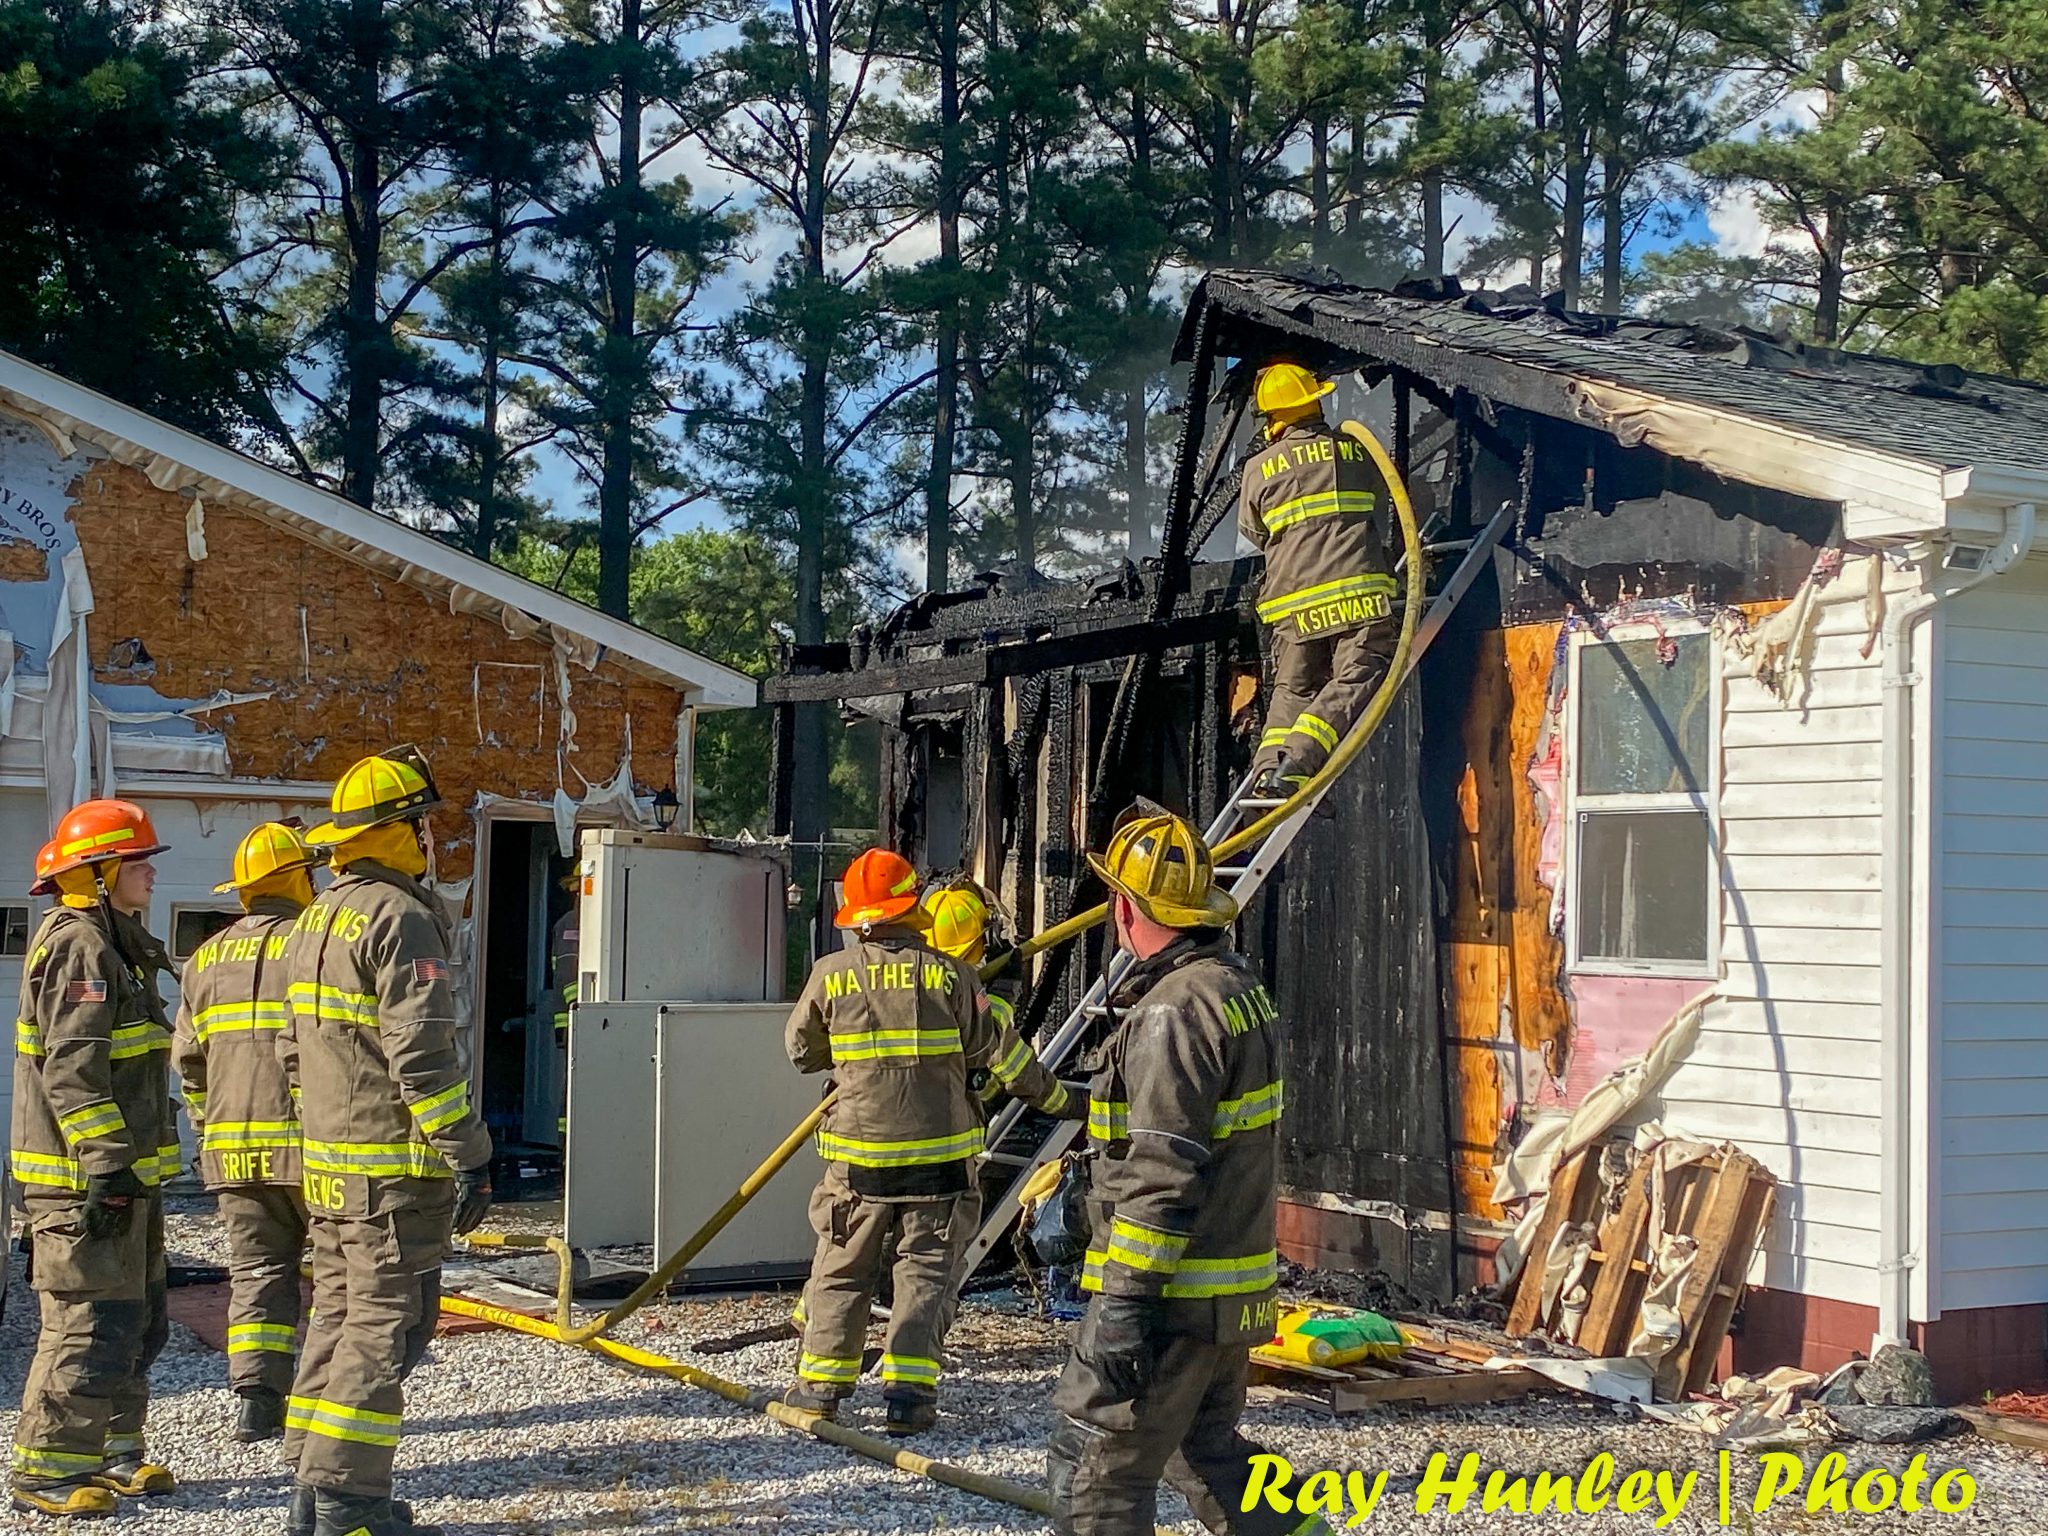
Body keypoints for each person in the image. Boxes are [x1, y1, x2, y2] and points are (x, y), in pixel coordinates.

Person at [1045, 803, 1311, 1536]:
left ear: (1125, 908)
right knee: (1211, 1457)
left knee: (1093, 1472)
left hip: (1169, 1301)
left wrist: (1125, 1305)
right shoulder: (1232, 988)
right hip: (1226, 1296)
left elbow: (1163, 1171)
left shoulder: (1172, 1012)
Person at [279, 749, 494, 1536]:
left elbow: (292, 1054)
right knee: (382, 1329)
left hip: (332, 1171)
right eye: (421, 824)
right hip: (391, 1178)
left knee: (334, 1320)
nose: (430, 837)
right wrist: (468, 1154)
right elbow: (424, 1057)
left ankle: (311, 1491)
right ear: (399, 831)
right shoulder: (398, 918)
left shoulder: (316, 917)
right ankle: (350, 1503)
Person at [782, 850, 1016, 1436]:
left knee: (842, 1271)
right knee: (926, 1275)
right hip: (940, 1164)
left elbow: (801, 1052)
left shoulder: (830, 974)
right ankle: (909, 1399)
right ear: (912, 906)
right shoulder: (957, 976)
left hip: (859, 1164)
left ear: (858, 916)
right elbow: (986, 1047)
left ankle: (819, 1394)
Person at [9, 800, 179, 1518]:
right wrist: (106, 1165)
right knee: (86, 1323)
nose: (148, 871)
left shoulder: (117, 941)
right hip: (86, 1180)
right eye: (136, 860)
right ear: (99, 873)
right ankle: (45, 1470)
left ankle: (113, 1453)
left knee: (135, 1320)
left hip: (123, 1176)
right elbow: (73, 1072)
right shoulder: (80, 945)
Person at [172, 821, 322, 1444]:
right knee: (338, 1281)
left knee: (257, 1272)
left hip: (231, 1152)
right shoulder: (317, 943)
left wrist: (210, 1129)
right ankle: (324, 1416)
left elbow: (189, 1064)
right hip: (312, 1147)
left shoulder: (204, 958)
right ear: (297, 878)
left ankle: (256, 1404)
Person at [1238, 361, 1398, 799]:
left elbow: (1254, 532)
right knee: (1359, 670)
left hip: (1289, 603)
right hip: (1355, 591)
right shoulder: (1355, 449)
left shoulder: (1257, 469)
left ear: (1274, 418)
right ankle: (1299, 761)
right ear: (1315, 401)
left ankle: (1267, 771)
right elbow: (1382, 503)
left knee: (1291, 688)